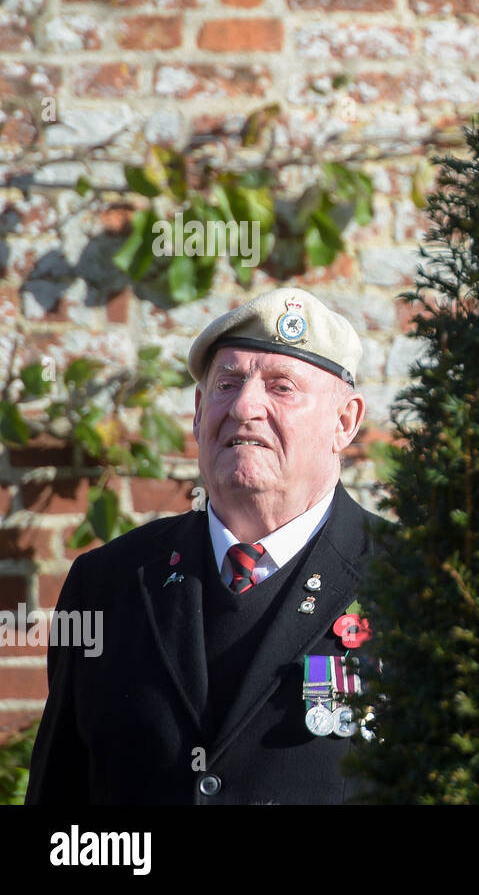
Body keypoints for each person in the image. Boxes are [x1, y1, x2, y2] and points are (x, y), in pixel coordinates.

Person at [26, 288, 384, 804]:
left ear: (344, 422)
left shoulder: (414, 584)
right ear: (198, 410)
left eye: (281, 387)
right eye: (228, 384)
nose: (244, 406)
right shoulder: (108, 585)